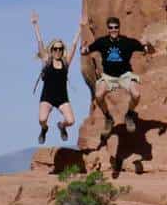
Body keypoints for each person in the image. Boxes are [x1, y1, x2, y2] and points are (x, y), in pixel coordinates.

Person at [86, 15, 151, 132]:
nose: (113, 30)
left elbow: (147, 50)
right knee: (98, 95)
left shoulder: (127, 42)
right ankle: (108, 118)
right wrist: (83, 49)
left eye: (116, 27)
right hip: (109, 77)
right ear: (108, 29)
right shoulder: (102, 42)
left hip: (124, 75)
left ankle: (129, 115)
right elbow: (86, 50)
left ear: (119, 28)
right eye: (111, 28)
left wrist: (147, 45)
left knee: (136, 95)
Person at [30, 11, 78, 144]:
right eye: (55, 49)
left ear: (62, 50)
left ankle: (61, 126)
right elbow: (40, 44)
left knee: (71, 121)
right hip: (47, 97)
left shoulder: (65, 63)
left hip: (62, 98)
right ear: (51, 50)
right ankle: (44, 129)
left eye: (60, 49)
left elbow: (74, 46)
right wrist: (35, 25)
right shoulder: (47, 61)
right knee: (42, 119)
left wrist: (80, 28)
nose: (58, 51)